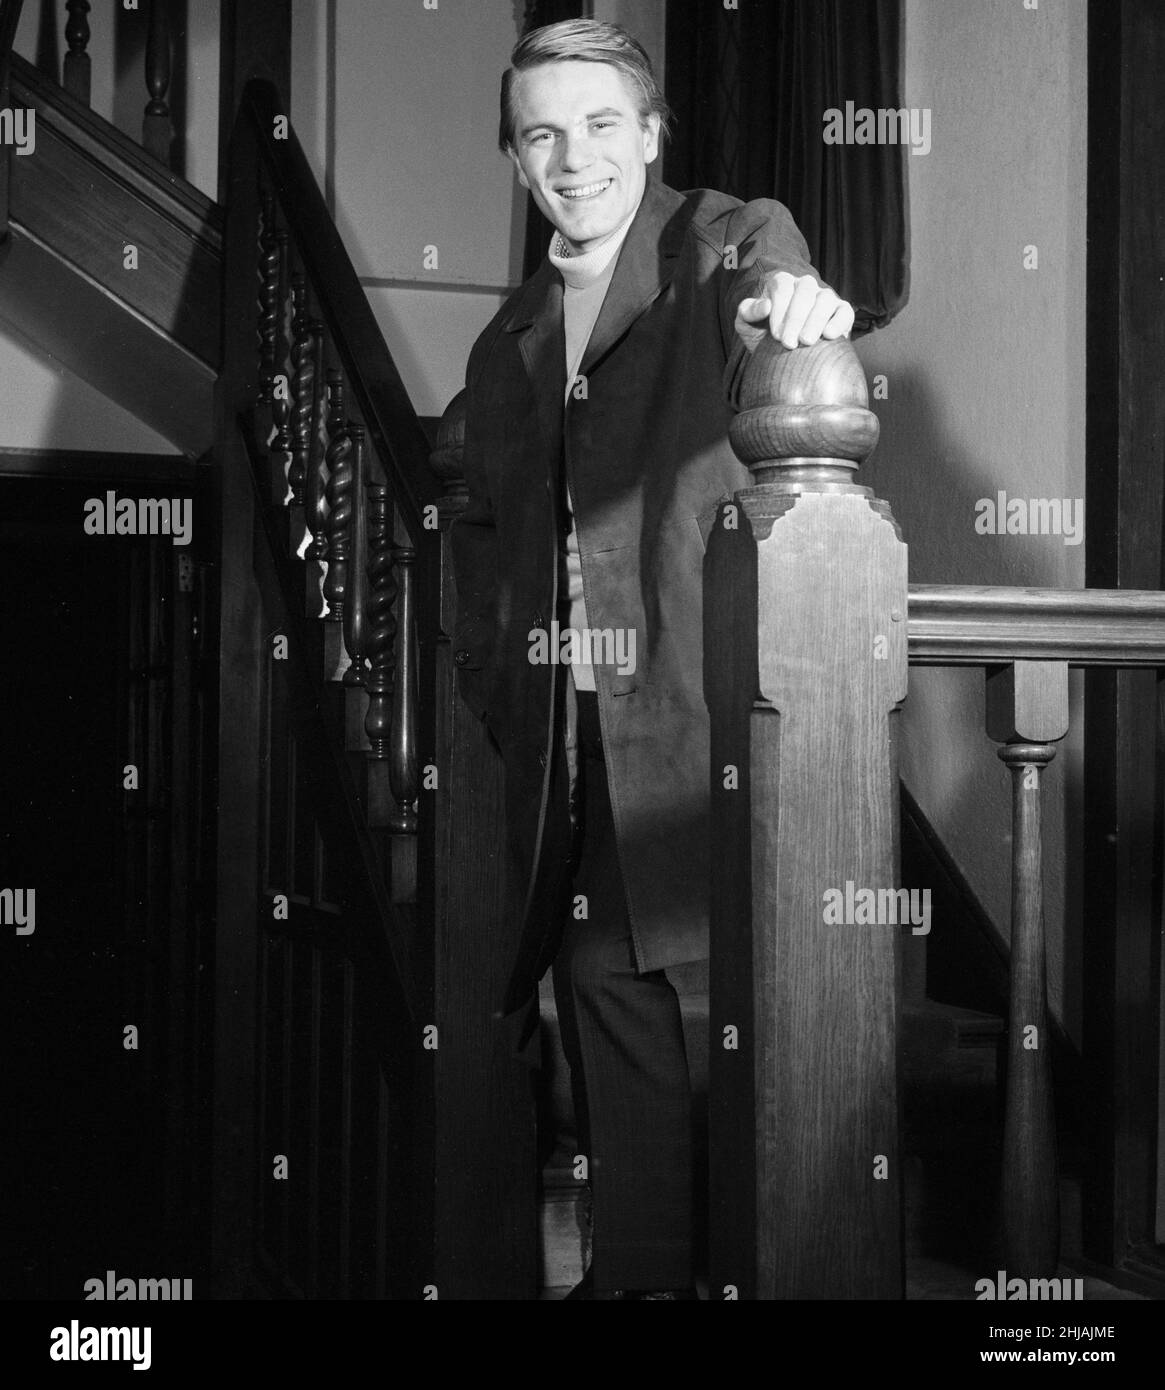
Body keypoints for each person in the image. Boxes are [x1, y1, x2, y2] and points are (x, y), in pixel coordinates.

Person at [450, 18, 854, 1300]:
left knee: (749, 1085)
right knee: (592, 996)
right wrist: (507, 686)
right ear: (517, 158)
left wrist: (796, 309)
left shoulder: (717, 245)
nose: (575, 158)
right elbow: (480, 542)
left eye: (602, 124)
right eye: (542, 134)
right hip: (571, 763)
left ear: (652, 133)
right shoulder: (504, 342)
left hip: (711, 744)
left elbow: (773, 290)